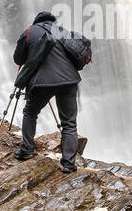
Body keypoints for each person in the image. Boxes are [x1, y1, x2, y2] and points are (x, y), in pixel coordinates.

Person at [13, 10, 81, 174]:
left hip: (43, 82)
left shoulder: (30, 32)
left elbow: (18, 59)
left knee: (30, 112)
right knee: (69, 123)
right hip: (69, 81)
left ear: (36, 21)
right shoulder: (62, 32)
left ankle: (26, 150)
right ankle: (69, 163)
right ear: (52, 21)